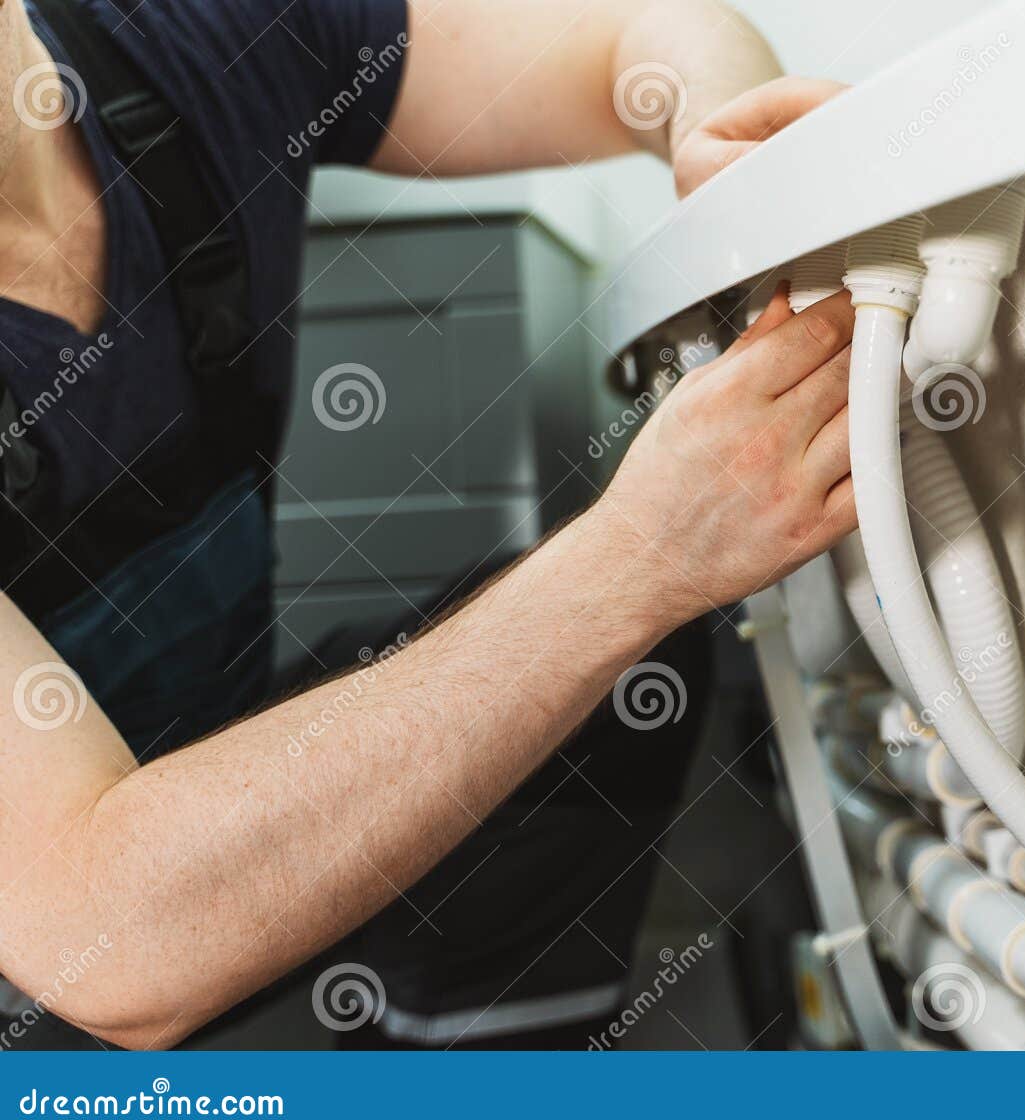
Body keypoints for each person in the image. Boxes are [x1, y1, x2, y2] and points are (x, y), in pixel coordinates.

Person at [0, 0, 855, 1050]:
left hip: (215, 740)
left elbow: (642, 30)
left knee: (607, 696)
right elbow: (103, 931)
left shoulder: (178, 40)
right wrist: (641, 555)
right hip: (48, 937)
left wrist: (733, 153)